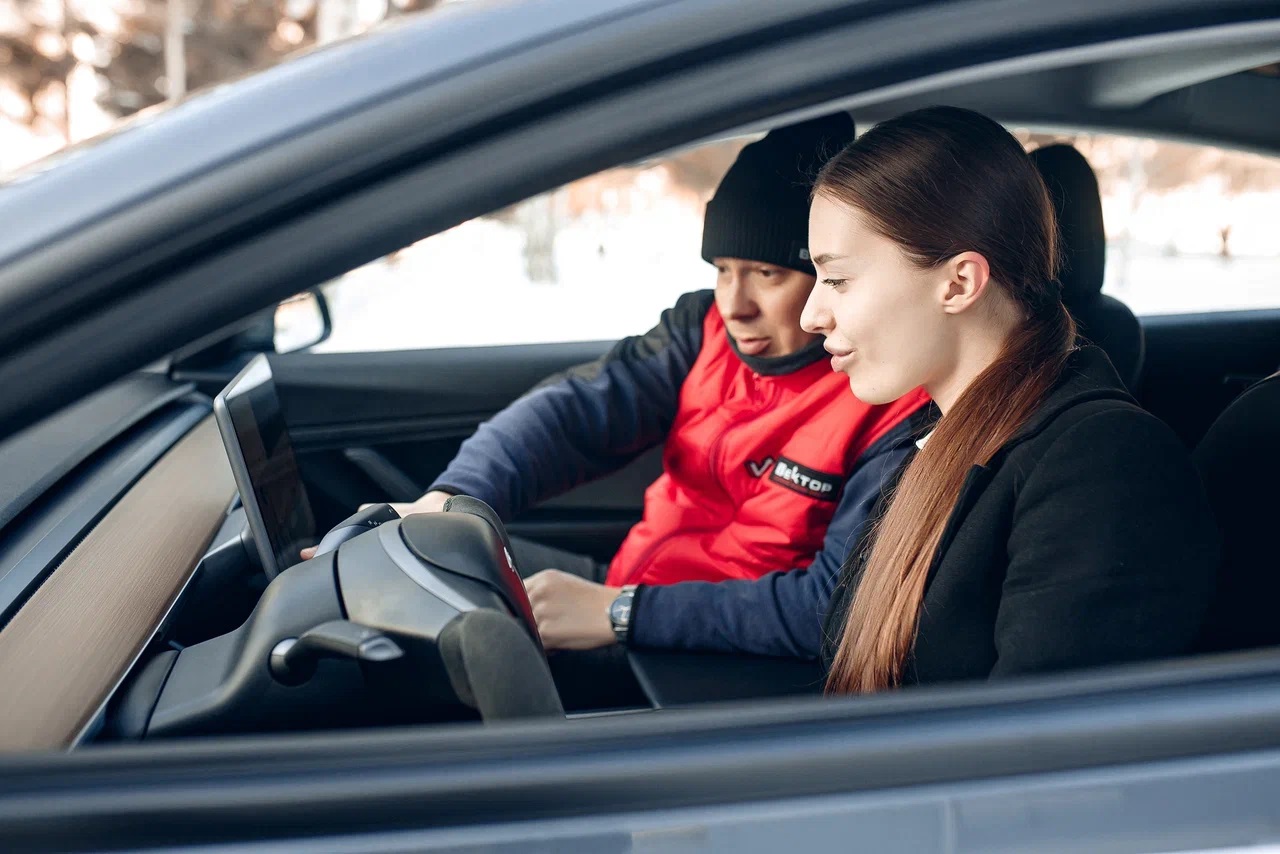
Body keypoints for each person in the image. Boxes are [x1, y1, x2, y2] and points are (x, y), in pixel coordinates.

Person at [540, 106, 1220, 698]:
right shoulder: (932, 434)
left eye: (836, 279)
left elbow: (1038, 776)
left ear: (958, 283)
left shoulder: (1101, 471)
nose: (811, 315)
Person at [355, 113, 930, 703]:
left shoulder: (890, 402)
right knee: (408, 558)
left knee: (392, 673)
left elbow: (829, 608)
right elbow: (571, 417)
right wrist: (450, 500)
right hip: (627, 596)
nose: (735, 304)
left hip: (706, 662)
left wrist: (623, 612)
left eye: (767, 274)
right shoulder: (700, 331)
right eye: (723, 270)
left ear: (829, 281)